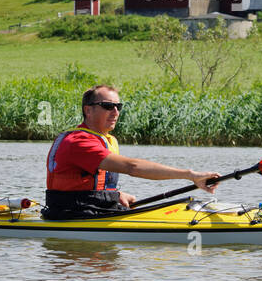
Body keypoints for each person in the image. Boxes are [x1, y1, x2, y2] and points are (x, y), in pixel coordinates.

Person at [44, 85, 219, 220]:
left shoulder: (105, 139)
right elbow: (132, 167)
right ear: (88, 110)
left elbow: (89, 184)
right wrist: (190, 175)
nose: (116, 112)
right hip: (72, 213)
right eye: (107, 106)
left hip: (93, 208)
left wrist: (115, 195)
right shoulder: (78, 142)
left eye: (118, 106)